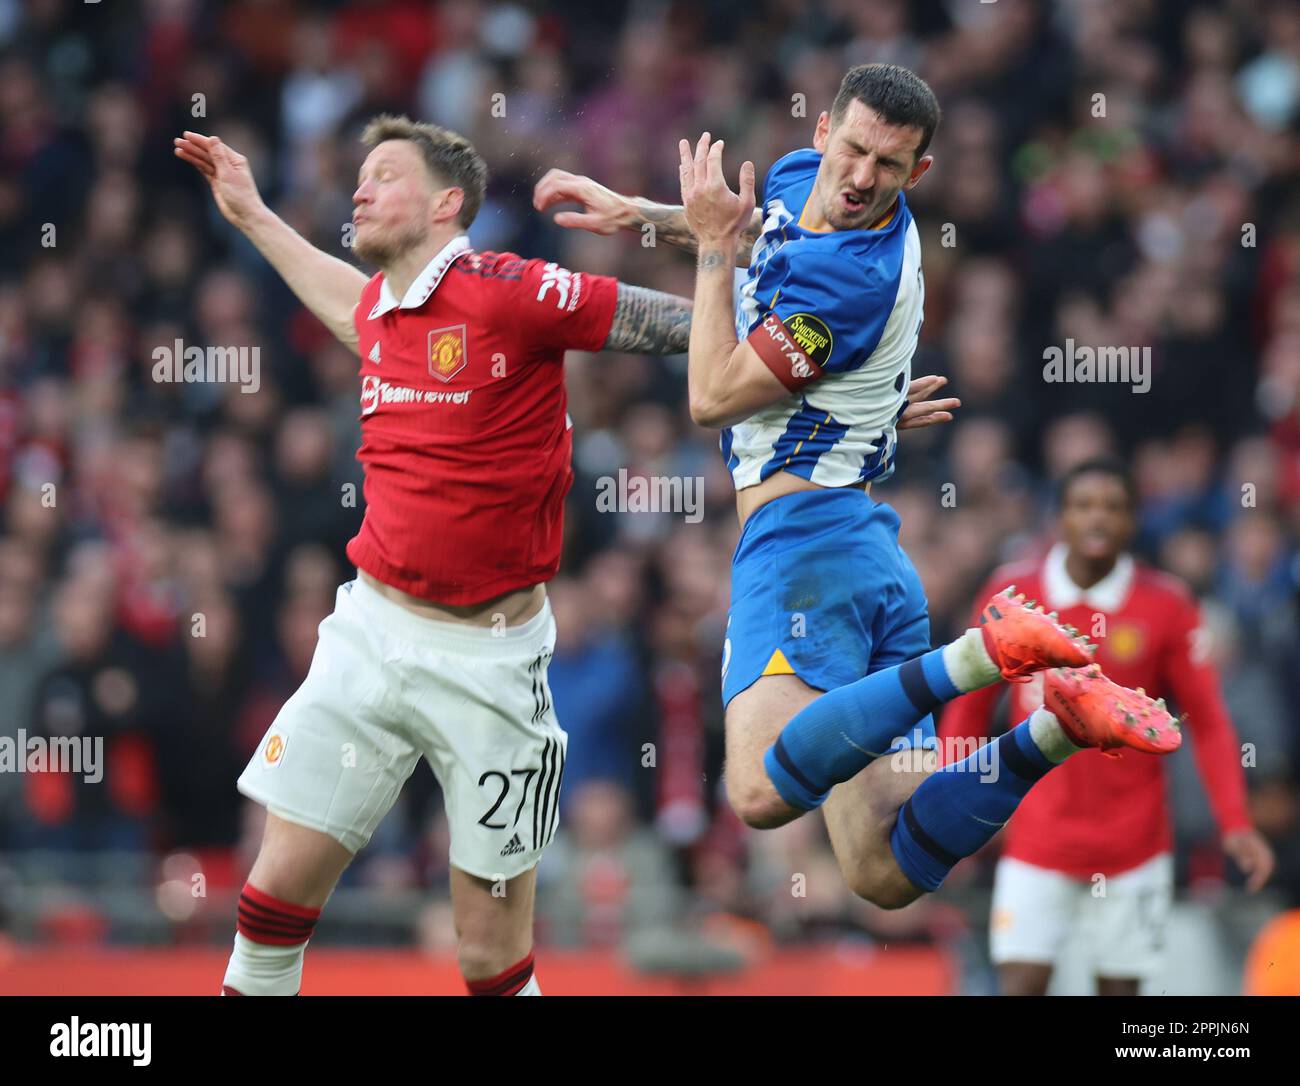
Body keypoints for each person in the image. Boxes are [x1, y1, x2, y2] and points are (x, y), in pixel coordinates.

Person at [174, 111, 956, 996]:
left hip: (493, 666)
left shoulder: (511, 291)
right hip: (367, 634)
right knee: (271, 904)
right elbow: (344, 301)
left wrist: (838, 395)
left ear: (446, 203)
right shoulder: (385, 314)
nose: (360, 189)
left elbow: (672, 323)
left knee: (490, 961)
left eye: (383, 174)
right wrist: (250, 214)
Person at [535, 62, 1181, 911]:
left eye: (889, 165)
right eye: (854, 149)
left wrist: (715, 253)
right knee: (882, 870)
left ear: (920, 175)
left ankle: (983, 654)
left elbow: (711, 396)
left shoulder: (853, 279)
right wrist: (643, 215)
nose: (862, 177)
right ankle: (1056, 728)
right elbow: (758, 236)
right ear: (821, 136)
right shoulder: (807, 186)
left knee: (761, 793)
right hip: (872, 559)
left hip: (804, 550)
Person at [939, 457, 1275, 995]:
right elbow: (968, 709)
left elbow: (1208, 722)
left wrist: (1234, 822)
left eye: (1113, 507)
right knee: (1020, 985)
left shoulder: (1166, 604)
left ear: (1133, 520)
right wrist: (951, 814)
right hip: (1036, 838)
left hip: (1133, 843)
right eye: (1084, 505)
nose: (1098, 519)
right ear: (1060, 518)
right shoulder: (1012, 594)